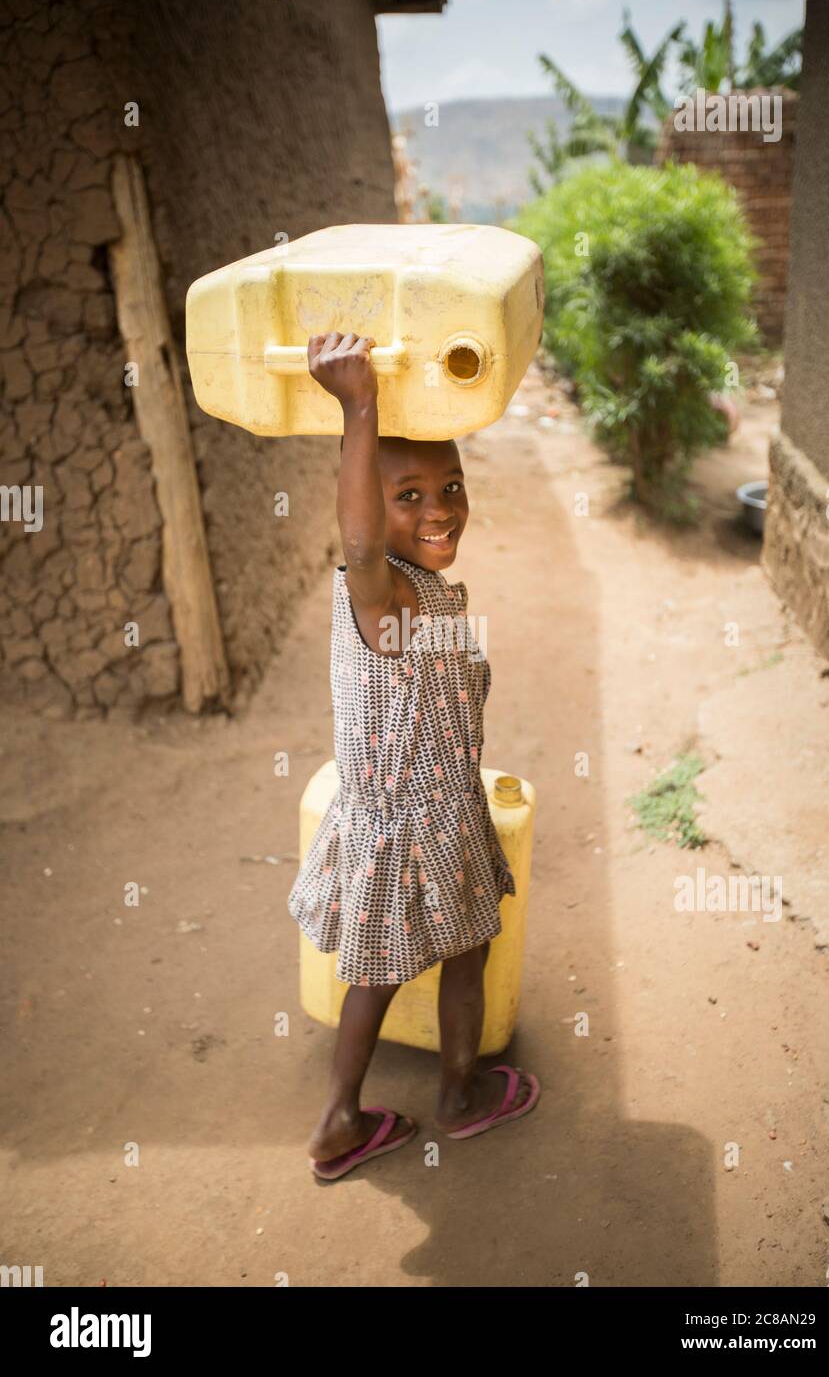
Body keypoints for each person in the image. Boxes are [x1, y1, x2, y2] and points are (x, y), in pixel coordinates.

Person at [288, 332, 540, 1181]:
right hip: (403, 827)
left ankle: (435, 1098)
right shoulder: (379, 593)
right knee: (382, 976)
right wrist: (358, 405)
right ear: (371, 504)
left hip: (445, 813)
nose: (441, 508)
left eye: (452, 486)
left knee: (453, 954)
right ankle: (350, 1117)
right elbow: (362, 545)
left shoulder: (424, 589)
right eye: (408, 495)